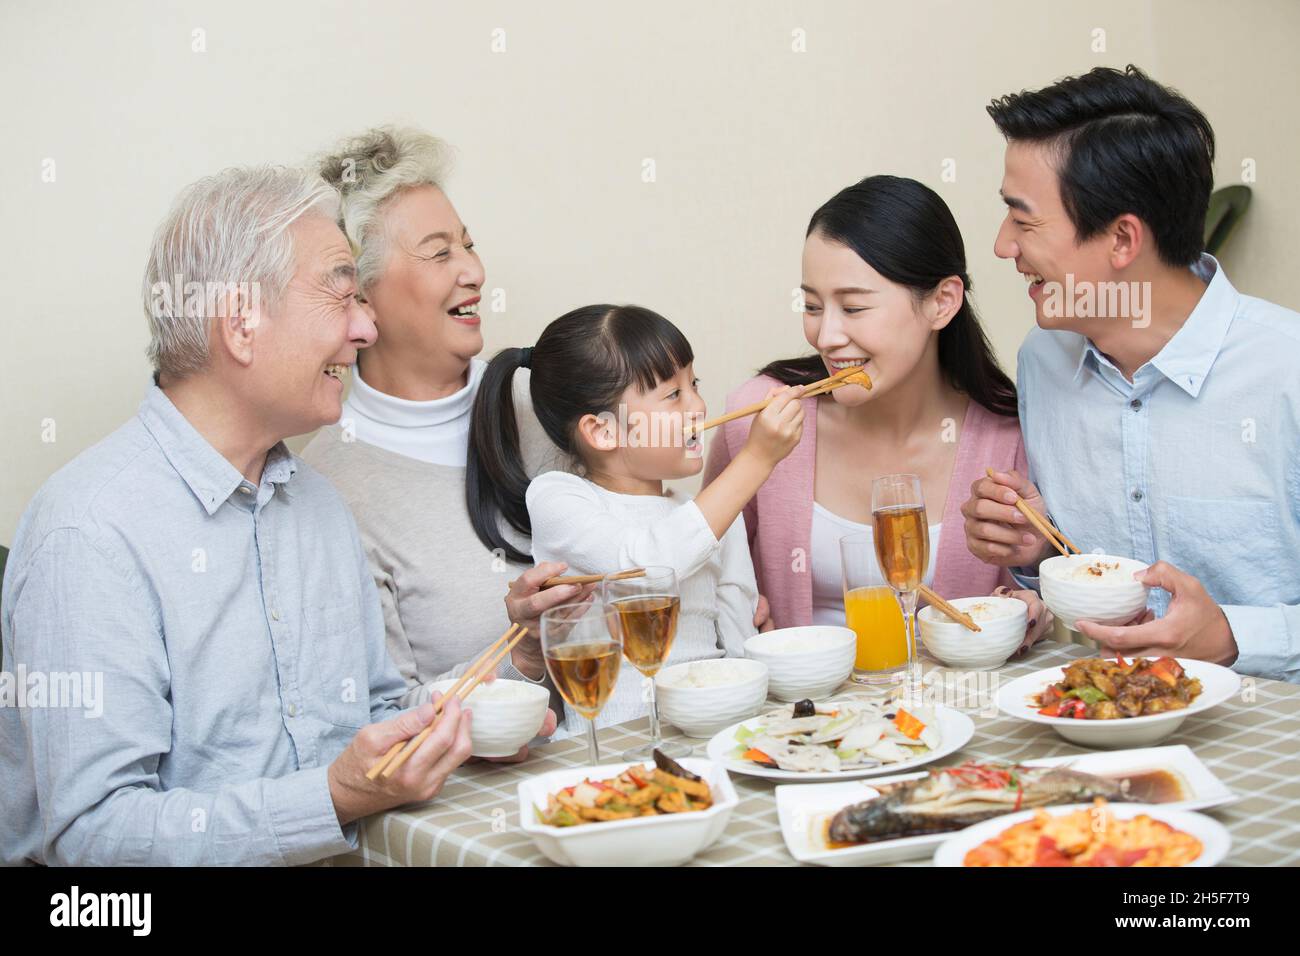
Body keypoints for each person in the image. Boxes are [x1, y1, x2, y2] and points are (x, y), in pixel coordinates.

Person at [0, 166, 553, 865]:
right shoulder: (91, 533)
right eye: (342, 297)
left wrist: (521, 661)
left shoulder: (314, 502)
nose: (364, 326)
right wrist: (331, 800)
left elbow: (383, 717)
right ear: (241, 324)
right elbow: (92, 834)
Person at [963, 65, 1299, 683]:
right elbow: (1089, 574)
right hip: (1103, 729)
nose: (1002, 245)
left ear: (1122, 240)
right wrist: (1038, 547)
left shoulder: (1287, 372)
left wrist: (1233, 636)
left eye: (1024, 218)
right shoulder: (1044, 361)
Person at [705, 175, 1051, 649]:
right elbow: (700, 563)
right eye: (811, 305)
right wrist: (729, 613)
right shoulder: (760, 419)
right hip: (795, 719)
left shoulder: (1008, 436)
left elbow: (1039, 586)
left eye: (853, 307)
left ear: (942, 302)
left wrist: (1032, 599)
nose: (826, 336)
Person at [301, 127, 582, 703]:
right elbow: (387, 719)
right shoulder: (329, 489)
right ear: (360, 294)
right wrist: (520, 655)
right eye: (439, 253)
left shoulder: (547, 408)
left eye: (468, 244)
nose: (474, 271)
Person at [468, 304, 804, 731]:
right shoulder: (558, 497)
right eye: (673, 394)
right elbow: (643, 570)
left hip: (710, 731)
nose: (699, 406)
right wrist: (756, 460)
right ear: (603, 430)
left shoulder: (708, 512)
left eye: (694, 384)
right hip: (608, 747)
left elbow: (741, 643)